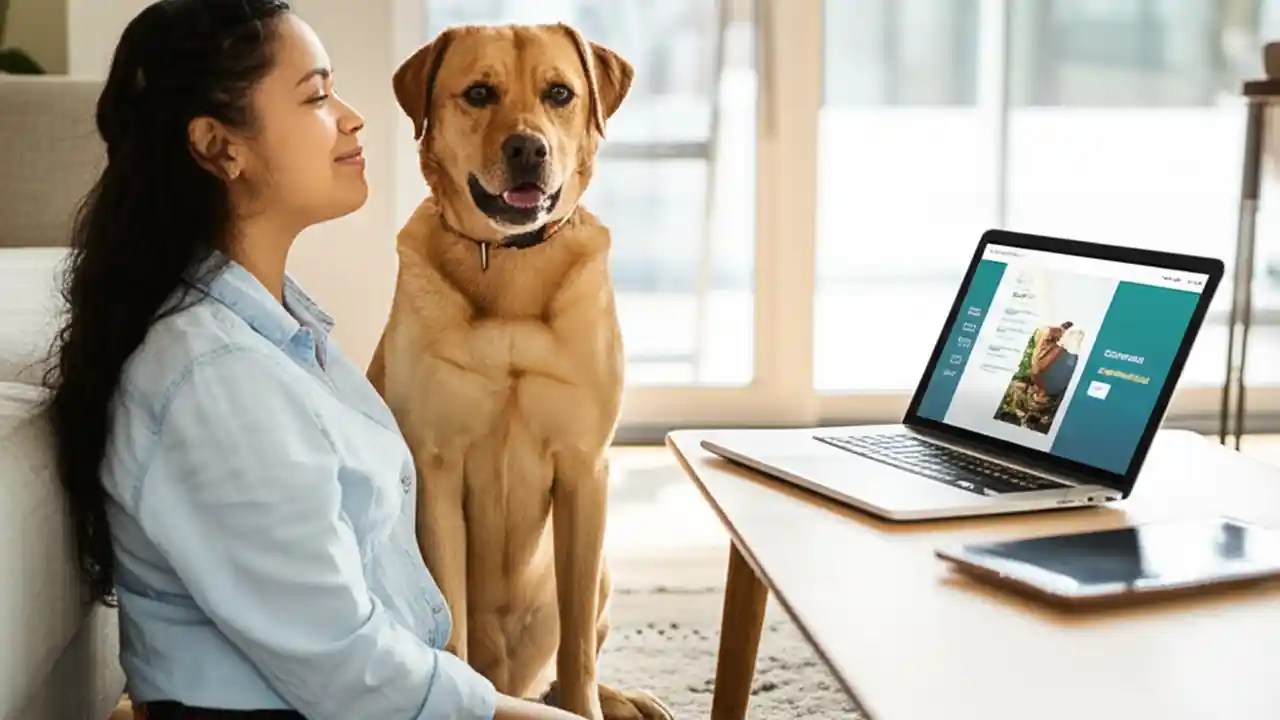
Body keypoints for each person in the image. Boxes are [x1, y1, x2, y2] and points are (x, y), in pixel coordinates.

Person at [43, 2, 578, 718]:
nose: (353, 117)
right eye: (318, 96)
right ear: (219, 147)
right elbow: (354, 677)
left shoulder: (278, 330)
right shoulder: (214, 378)